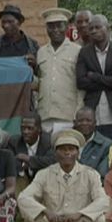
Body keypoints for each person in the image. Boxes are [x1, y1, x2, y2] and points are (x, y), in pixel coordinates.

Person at [18, 129, 112, 222]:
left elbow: (103, 201)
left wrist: (79, 214)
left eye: (71, 149)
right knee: (33, 215)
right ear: (55, 153)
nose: (67, 153)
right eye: (62, 149)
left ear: (78, 153)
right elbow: (23, 198)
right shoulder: (44, 174)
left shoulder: (90, 174)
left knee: (100, 220)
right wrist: (47, 212)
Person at [76, 14, 112, 141]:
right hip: (92, 114)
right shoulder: (84, 52)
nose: (94, 31)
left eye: (98, 27)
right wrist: (111, 80)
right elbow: (81, 82)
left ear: (107, 28)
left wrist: (95, 76)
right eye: (91, 28)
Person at [36, 7, 81, 136]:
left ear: (66, 27)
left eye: (59, 26)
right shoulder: (41, 52)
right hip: (45, 114)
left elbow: (81, 86)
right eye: (51, 26)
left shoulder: (77, 51)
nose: (55, 30)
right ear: (46, 29)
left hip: (67, 115)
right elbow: (40, 80)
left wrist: (78, 113)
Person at [0, 4, 38, 69]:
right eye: (3, 22)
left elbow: (40, 72)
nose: (6, 25)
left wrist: (35, 65)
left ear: (19, 22)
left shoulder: (32, 45)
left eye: (10, 22)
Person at [9, 112, 55, 181]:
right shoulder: (14, 142)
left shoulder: (49, 142)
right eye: (23, 128)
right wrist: (23, 165)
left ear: (39, 129)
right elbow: (10, 163)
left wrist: (28, 159)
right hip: (22, 181)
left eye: (30, 128)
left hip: (44, 181)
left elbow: (51, 161)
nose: (25, 132)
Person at [74, 106, 111, 178]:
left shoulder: (106, 145)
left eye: (88, 120)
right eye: (80, 120)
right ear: (75, 123)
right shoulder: (65, 142)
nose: (84, 123)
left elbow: (102, 174)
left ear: (95, 123)